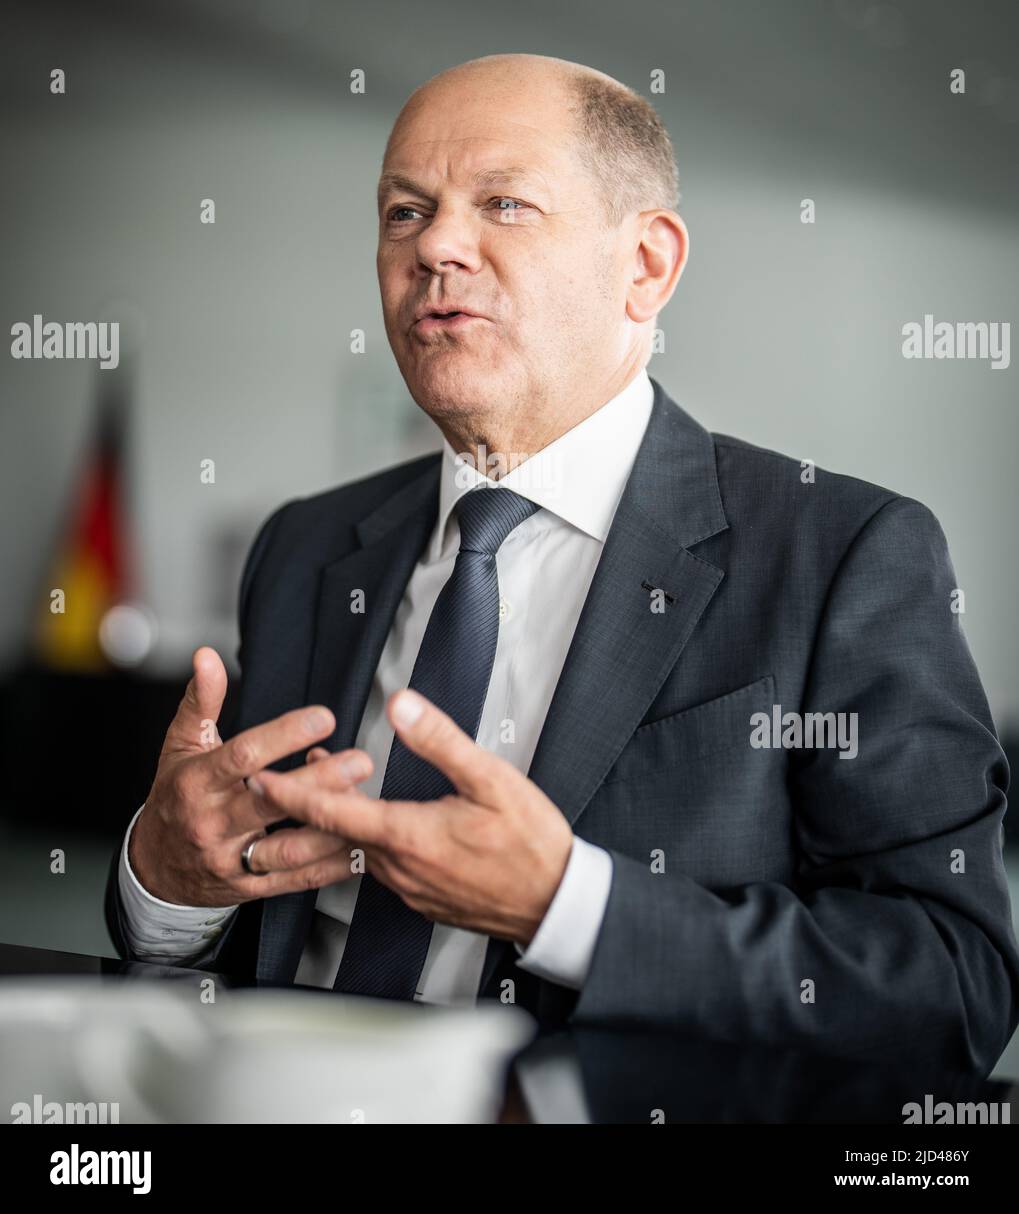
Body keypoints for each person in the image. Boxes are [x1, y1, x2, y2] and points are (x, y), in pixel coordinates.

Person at [105, 53, 1019, 1068]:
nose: (437, 246)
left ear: (646, 266)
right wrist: (165, 878)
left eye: (502, 203)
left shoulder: (843, 551)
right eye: (405, 212)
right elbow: (230, 941)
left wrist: (567, 905)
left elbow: (949, 983)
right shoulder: (306, 545)